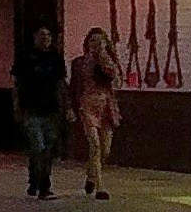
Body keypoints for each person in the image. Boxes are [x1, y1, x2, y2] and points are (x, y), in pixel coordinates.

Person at [11, 20, 67, 199]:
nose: (46, 39)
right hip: (31, 109)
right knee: (38, 146)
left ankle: (35, 180)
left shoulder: (55, 59)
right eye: (42, 35)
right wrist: (17, 106)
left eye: (48, 36)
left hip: (51, 109)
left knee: (47, 148)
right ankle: (43, 186)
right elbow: (16, 84)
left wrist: (65, 106)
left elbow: (60, 83)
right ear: (35, 37)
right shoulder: (26, 58)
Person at [68, 24, 122, 200]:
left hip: (106, 105)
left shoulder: (110, 61)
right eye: (93, 40)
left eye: (100, 41)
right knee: (95, 145)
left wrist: (104, 55)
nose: (96, 44)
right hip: (88, 105)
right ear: (87, 43)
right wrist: (71, 107)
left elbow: (114, 78)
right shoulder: (79, 63)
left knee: (105, 149)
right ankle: (100, 186)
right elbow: (74, 86)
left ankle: (91, 176)